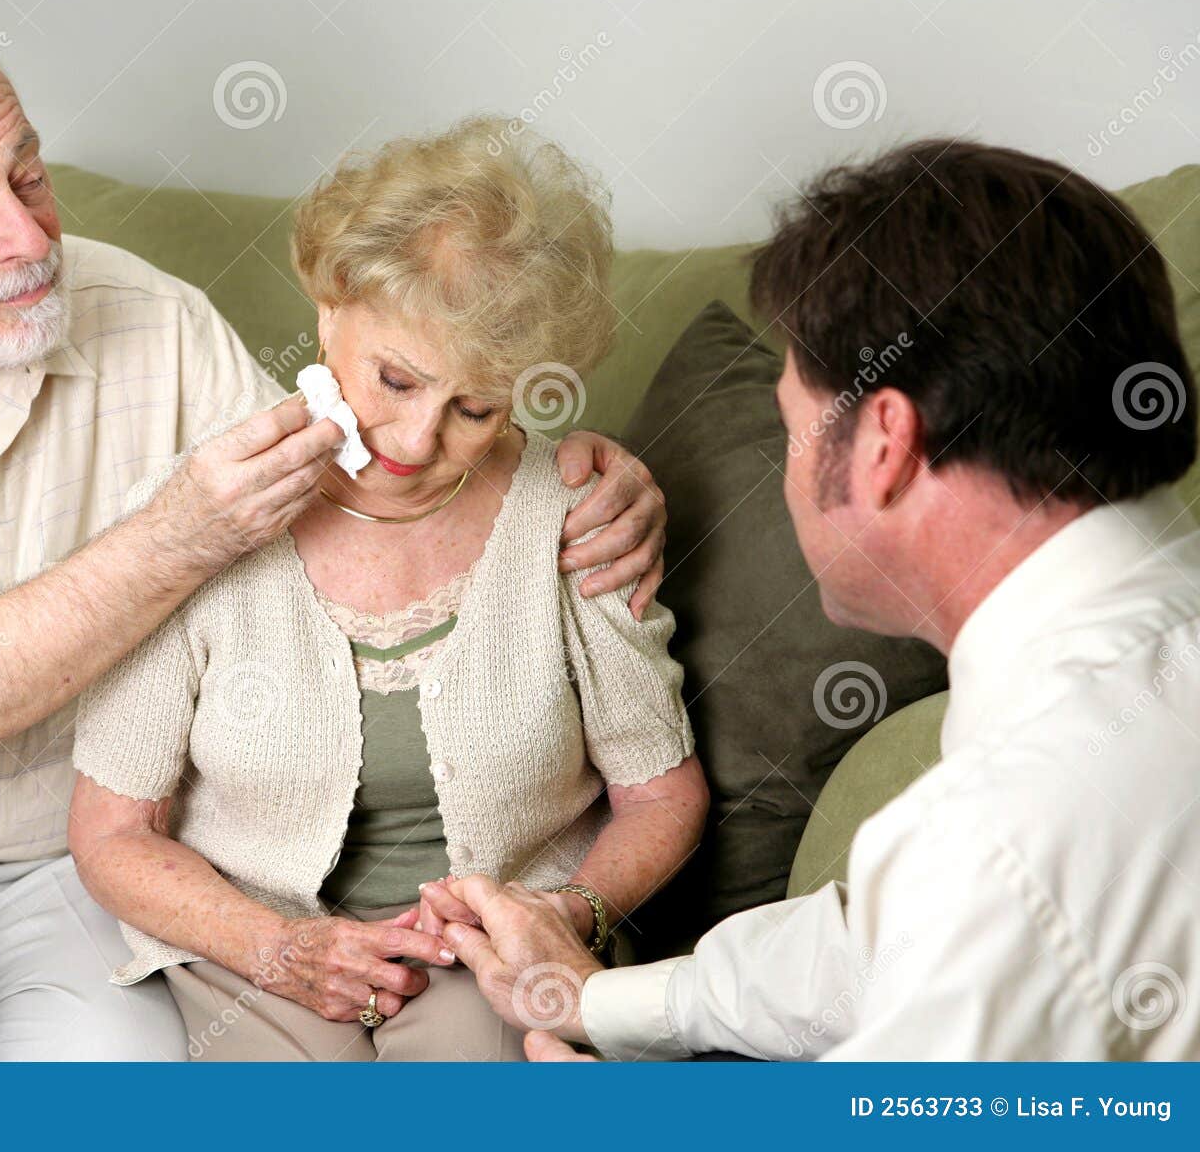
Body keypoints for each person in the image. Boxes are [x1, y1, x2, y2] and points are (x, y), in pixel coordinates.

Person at [0, 25, 671, 1061]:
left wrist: (570, 472)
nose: (27, 238)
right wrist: (173, 537)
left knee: (115, 1086)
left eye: (26, 176)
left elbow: (357, 479)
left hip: (52, 863)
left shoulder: (150, 318)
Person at [430, 139, 1200, 1061]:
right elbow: (887, 949)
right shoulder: (1114, 686)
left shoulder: (1010, 824)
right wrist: (599, 1001)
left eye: (794, 426)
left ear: (883, 446)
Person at [68, 117, 708, 1061]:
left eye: (475, 408)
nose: (415, 441)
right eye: (395, 379)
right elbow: (113, 831)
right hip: (252, 947)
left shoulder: (574, 515)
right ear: (330, 310)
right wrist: (279, 948)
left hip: (489, 949)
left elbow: (661, 796)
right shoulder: (201, 512)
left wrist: (561, 916)